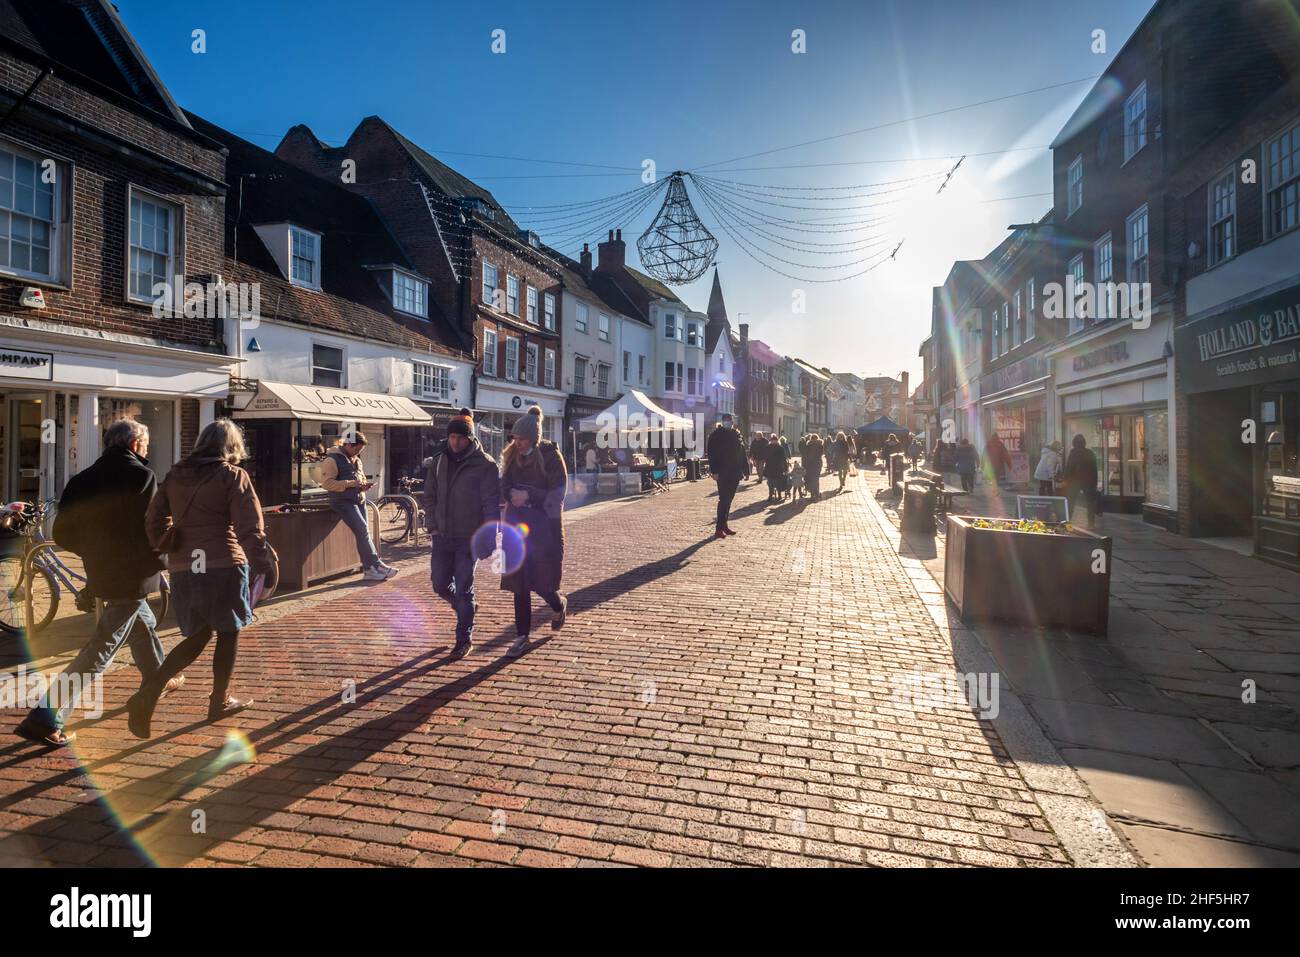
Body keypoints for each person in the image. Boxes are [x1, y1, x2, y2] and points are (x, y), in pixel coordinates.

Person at [14, 420, 182, 747]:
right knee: (99, 650)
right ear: (135, 444)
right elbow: (148, 530)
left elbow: (62, 532)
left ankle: (158, 677)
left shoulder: (82, 479)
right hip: (132, 574)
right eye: (145, 446)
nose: (146, 451)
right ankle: (45, 718)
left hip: (103, 571)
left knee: (142, 624)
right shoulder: (142, 477)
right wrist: (164, 562)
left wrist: (95, 552)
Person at [128, 419, 274, 739]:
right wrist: (264, 563)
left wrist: (166, 544)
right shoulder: (233, 476)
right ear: (231, 445)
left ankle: (150, 689)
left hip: (186, 566)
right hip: (223, 562)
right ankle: (219, 700)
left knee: (198, 635)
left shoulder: (174, 475)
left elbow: (153, 520)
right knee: (228, 630)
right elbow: (249, 528)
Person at [424, 409, 502, 659]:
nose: (456, 442)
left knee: (464, 589)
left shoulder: (486, 465)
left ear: (470, 438)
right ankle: (465, 608)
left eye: (461, 438)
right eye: (452, 438)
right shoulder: (438, 461)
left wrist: (489, 537)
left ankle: (463, 638)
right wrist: (433, 526)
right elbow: (430, 496)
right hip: (442, 535)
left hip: (469, 538)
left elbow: (491, 504)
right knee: (439, 584)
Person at [499, 406, 568, 658]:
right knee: (520, 585)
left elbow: (558, 493)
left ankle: (558, 604)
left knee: (542, 583)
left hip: (542, 531)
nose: (518, 443)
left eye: (523, 439)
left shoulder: (551, 456)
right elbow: (503, 483)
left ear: (534, 438)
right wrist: (510, 494)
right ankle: (522, 636)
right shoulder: (510, 456)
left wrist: (529, 496)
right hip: (516, 530)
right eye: (515, 438)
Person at [320, 431, 397, 581]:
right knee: (362, 531)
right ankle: (375, 566)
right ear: (348, 444)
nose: (357, 453)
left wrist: (362, 486)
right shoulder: (332, 459)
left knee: (364, 533)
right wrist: (352, 484)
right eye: (356, 450)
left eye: (360, 451)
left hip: (358, 499)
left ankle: (371, 569)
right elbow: (327, 484)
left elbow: (357, 479)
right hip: (342, 501)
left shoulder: (356, 459)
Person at [706, 414, 747, 538]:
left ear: (732, 421)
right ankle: (719, 528)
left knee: (729, 499)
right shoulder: (716, 435)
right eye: (726, 421)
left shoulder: (736, 434)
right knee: (723, 499)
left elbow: (742, 452)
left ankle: (724, 525)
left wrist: (746, 469)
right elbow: (711, 453)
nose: (728, 422)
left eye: (730, 420)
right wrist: (714, 471)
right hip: (722, 471)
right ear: (722, 422)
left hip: (735, 471)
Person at [1062, 434, 1100, 529]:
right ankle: (1091, 524)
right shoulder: (1090, 453)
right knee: (1090, 502)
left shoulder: (1073, 453)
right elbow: (1094, 469)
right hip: (1088, 481)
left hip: (1075, 481)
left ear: (1074, 443)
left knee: (1071, 501)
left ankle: (1068, 521)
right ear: (1084, 443)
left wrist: (1065, 480)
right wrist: (1095, 482)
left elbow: (1069, 467)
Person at [765, 434, 789, 503]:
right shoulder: (777, 447)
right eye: (772, 441)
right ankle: (772, 495)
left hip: (775, 467)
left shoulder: (778, 448)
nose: (773, 442)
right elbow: (783, 458)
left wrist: (785, 467)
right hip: (774, 467)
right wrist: (785, 467)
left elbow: (783, 458)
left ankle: (776, 495)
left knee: (774, 482)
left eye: (774, 440)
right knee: (772, 482)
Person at [801, 432, 825, 500]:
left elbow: (805, 456)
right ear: (817, 438)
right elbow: (821, 454)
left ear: (811, 439)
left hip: (810, 464)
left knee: (811, 478)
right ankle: (816, 493)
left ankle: (812, 494)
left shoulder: (808, 445)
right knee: (816, 478)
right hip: (818, 464)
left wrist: (804, 465)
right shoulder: (820, 445)